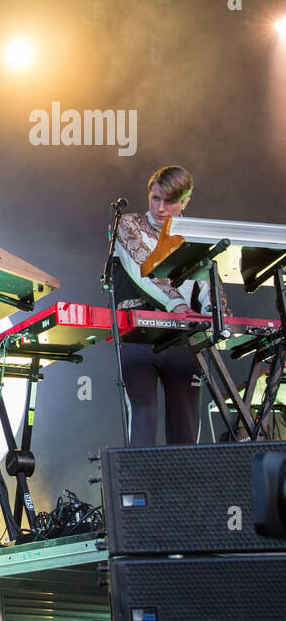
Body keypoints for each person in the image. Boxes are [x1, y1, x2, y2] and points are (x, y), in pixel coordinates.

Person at [113, 166, 211, 445]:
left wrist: (219, 319)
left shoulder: (195, 235)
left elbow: (211, 285)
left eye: (170, 201)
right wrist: (177, 304)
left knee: (186, 430)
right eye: (155, 198)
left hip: (185, 340)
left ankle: (183, 489)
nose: (160, 207)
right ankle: (137, 489)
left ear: (186, 201)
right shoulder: (129, 224)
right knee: (143, 421)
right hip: (140, 335)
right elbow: (145, 268)